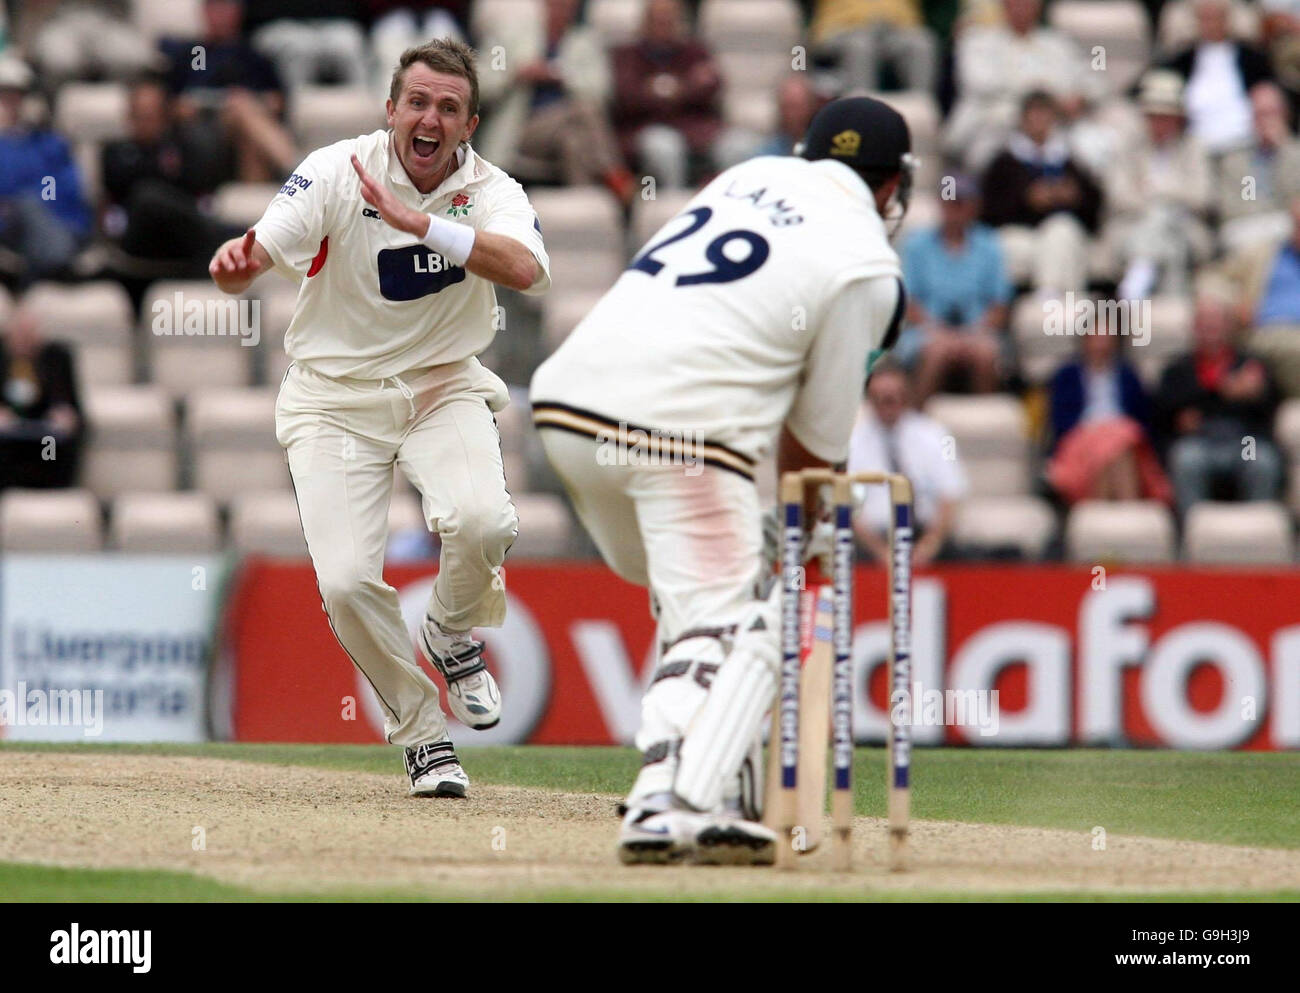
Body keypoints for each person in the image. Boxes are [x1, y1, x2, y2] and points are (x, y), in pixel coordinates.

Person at [531, 96, 911, 864]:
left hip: (567, 402)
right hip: (679, 432)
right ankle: (664, 796)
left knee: (708, 605)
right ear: (892, 186)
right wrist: (801, 549)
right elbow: (813, 459)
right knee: (741, 615)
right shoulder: (868, 262)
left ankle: (723, 800)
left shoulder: (753, 176)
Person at [208, 39, 550, 798]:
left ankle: (451, 630)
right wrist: (242, 264)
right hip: (334, 397)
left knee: (483, 521)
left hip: (442, 385)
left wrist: (423, 225)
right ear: (391, 109)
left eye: (449, 108)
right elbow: (264, 246)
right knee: (345, 583)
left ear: (469, 125)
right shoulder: (337, 170)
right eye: (418, 102)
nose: (431, 118)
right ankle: (425, 737)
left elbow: (524, 269)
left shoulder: (493, 189)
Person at [476, 0, 634, 200]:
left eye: (568, 4)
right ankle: (615, 172)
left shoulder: (585, 42)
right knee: (583, 110)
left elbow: (600, 93)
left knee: (573, 140)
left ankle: (583, 211)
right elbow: (481, 85)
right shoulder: (511, 37)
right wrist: (516, 74)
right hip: (522, 131)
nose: (561, 8)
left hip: (565, 128)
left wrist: (561, 76)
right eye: (556, 3)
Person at [1155, 291, 1282, 516]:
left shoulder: (1251, 364)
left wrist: (1255, 393)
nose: (1210, 330)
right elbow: (1167, 411)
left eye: (1216, 323)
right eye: (1204, 323)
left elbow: (1269, 406)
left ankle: (1256, 531)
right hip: (1199, 441)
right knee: (1185, 459)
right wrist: (1225, 391)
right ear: (1194, 328)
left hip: (1244, 440)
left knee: (1260, 460)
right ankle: (1194, 532)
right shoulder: (1178, 369)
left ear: (1229, 327)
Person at [944, 0, 1100, 171]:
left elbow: (1091, 80)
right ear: (1004, 5)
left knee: (1095, 147)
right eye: (1016, 2)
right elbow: (980, 83)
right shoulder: (977, 41)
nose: (1022, 6)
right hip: (999, 124)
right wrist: (1050, 101)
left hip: (1058, 126)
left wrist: (1081, 97)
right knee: (989, 155)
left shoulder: (1058, 43)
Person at [897, 172, 1011, 401]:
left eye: (961, 203)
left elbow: (999, 305)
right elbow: (908, 302)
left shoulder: (989, 244)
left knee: (985, 354)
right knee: (936, 351)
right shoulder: (917, 245)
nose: (954, 210)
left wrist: (972, 334)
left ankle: (983, 423)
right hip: (928, 330)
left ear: (974, 206)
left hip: (977, 330)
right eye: (949, 203)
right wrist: (938, 330)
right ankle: (918, 421)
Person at [101, 78, 236, 270]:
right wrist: (162, 171)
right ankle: (225, 239)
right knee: (148, 197)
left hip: (182, 238)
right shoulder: (115, 152)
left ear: (165, 117)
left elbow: (201, 180)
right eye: (139, 115)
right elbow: (119, 180)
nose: (145, 123)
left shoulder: (182, 146)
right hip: (137, 238)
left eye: (151, 115)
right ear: (129, 116)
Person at [158, 0, 298, 183]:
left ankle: (253, 201)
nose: (221, 14)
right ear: (205, 11)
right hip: (205, 130)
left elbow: (278, 100)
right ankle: (298, 170)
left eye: (227, 7)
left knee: (245, 125)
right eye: (215, 7)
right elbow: (173, 104)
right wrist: (195, 106)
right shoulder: (194, 53)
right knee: (240, 109)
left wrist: (255, 101)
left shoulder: (252, 53)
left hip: (248, 127)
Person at [980, 90, 1103, 293]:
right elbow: (988, 212)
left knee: (1061, 232)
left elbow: (1094, 208)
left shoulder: (1068, 160)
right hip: (1018, 231)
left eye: (1045, 115)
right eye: (1034, 114)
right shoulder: (1004, 162)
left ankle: (1052, 300)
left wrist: (1072, 197)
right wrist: (1026, 200)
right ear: (1023, 119)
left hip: (1059, 232)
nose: (1039, 121)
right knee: (1039, 243)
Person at [848, 361, 967, 564]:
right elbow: (847, 505)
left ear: (906, 395)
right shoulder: (851, 442)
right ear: (869, 398)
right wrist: (881, 552)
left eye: (893, 397)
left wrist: (929, 546)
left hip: (926, 535)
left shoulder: (937, 434)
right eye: (882, 398)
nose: (888, 402)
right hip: (873, 542)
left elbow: (952, 493)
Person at [1107, 70, 1212, 300]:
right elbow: (1118, 196)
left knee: (1164, 223)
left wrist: (1156, 194)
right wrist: (1166, 199)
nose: (1159, 123)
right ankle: (1172, 306)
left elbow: (1202, 197)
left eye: (1166, 116)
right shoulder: (1128, 145)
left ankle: (1139, 276)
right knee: (1166, 241)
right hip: (1133, 225)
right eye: (1153, 116)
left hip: (1183, 225)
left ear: (1179, 118)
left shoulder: (1194, 147)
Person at [1046, 326, 1172, 505]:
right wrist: (1097, 433)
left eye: (1106, 337)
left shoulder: (1128, 374)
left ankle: (1103, 517)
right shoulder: (1067, 375)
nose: (1101, 343)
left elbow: (1143, 420)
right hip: (1081, 441)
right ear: (1085, 340)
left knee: (1116, 445)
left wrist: (1110, 433)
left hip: (1123, 439)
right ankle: (1127, 512)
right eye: (1096, 337)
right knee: (1112, 445)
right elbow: (1060, 422)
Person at [610, 0, 726, 189]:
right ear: (645, 22)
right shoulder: (626, 55)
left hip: (695, 129)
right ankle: (675, 205)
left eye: (669, 19)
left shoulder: (696, 52)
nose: (664, 24)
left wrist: (658, 90)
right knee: (665, 146)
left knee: (739, 146)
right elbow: (627, 96)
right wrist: (685, 87)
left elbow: (712, 86)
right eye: (657, 19)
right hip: (646, 129)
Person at [0, 56, 91, 283]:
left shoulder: (51, 144)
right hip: (10, 232)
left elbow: (67, 194)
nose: (11, 106)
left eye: (16, 97)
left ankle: (44, 276)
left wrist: (40, 205)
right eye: (4, 98)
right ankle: (58, 270)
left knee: (33, 206)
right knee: (26, 205)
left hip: (57, 228)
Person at [1161, 0, 1274, 156]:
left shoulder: (1252, 58)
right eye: (1204, 18)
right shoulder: (1183, 60)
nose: (1210, 24)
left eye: (1215, 18)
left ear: (1227, 19)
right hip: (1194, 145)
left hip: (1243, 144)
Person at [1220, 194, 1300, 396]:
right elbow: (1212, 278)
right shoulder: (1263, 254)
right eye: (1298, 224)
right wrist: (1235, 302)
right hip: (1270, 332)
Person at [0, 305, 82, 490]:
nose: (24, 343)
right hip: (6, 449)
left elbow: (72, 408)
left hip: (45, 446)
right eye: (19, 336)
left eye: (30, 336)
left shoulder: (57, 359)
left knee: (53, 444)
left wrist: (66, 417)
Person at [1215, 82, 1300, 253]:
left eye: (1271, 113)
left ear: (1285, 114)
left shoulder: (1294, 153)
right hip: (1248, 226)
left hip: (1287, 226)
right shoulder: (1238, 158)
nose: (1266, 121)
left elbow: (1294, 197)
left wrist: (1282, 150)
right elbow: (1240, 204)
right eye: (1260, 114)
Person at [808, 0, 939, 94]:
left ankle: (922, 111)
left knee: (922, 43)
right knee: (860, 45)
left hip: (896, 29)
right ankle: (860, 108)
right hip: (842, 29)